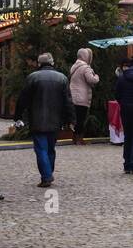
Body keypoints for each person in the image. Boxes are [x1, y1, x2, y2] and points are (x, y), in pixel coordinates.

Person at [15, 53, 75, 188]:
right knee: (50, 148)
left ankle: (46, 176)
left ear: (39, 64)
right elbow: (68, 102)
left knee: (41, 149)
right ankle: (49, 172)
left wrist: (18, 116)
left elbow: (22, 99)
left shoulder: (32, 77)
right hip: (55, 119)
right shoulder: (62, 78)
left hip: (37, 119)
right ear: (52, 63)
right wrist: (71, 119)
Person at [69, 47, 100, 144]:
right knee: (81, 119)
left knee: (76, 118)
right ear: (85, 56)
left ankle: (74, 138)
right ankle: (79, 140)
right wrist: (97, 76)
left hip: (73, 96)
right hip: (82, 97)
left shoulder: (74, 66)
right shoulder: (85, 67)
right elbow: (92, 80)